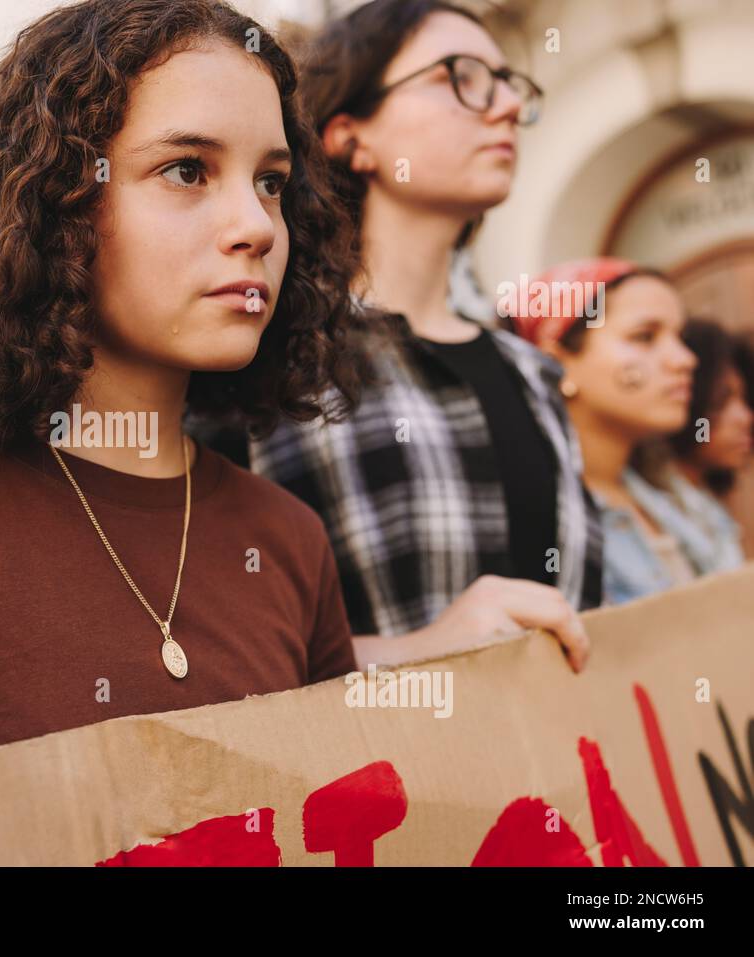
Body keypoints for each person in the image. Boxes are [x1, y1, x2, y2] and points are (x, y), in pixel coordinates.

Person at [0, 0, 589, 817]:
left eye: (273, 181)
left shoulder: (285, 540)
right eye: (185, 170)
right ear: (56, 203)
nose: (255, 223)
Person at [246, 0, 601, 662]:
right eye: (459, 76)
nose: (503, 108)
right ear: (351, 135)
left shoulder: (533, 372)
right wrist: (425, 650)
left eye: (507, 84)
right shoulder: (276, 356)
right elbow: (236, 658)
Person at [512, 258, 710, 604]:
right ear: (557, 364)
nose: (684, 360)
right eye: (644, 337)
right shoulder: (544, 520)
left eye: (680, 337)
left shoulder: (671, 495)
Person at [663, 318, 753, 563]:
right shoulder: (656, 510)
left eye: (745, 400)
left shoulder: (708, 506)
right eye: (722, 401)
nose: (745, 418)